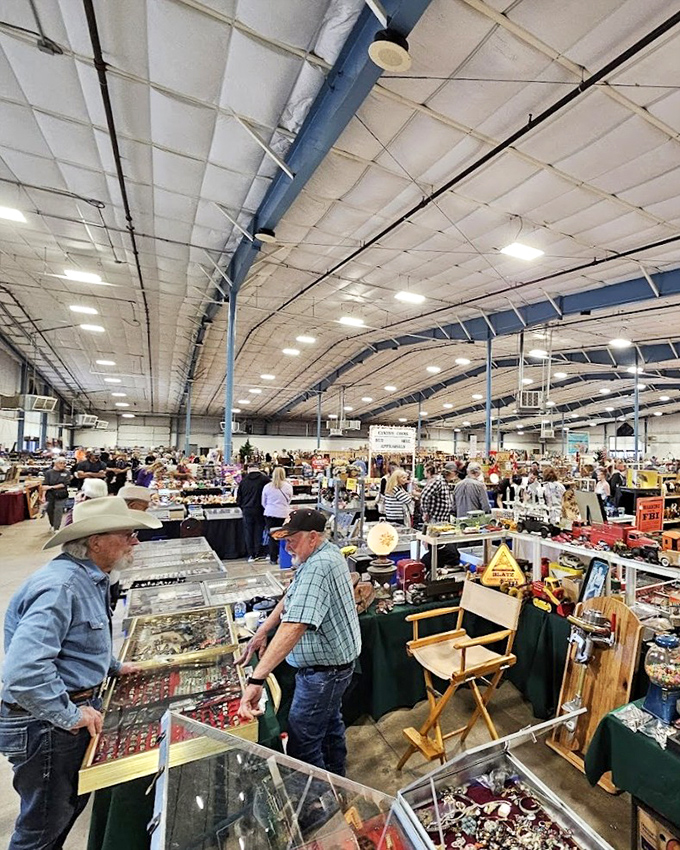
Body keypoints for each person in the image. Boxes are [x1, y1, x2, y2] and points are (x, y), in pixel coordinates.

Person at [0, 498, 162, 850]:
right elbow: (23, 672)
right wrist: (70, 714)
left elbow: (76, 641)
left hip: (56, 717)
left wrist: (114, 667)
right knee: (42, 828)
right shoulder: (61, 587)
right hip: (44, 723)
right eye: (128, 535)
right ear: (95, 541)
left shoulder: (91, 579)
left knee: (62, 813)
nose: (135, 542)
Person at [236, 509, 360, 775]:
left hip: (325, 673)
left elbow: (294, 626)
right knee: (329, 727)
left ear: (313, 537)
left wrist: (257, 679)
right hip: (332, 668)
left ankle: (318, 806)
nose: (285, 544)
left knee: (303, 743)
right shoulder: (320, 554)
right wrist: (263, 630)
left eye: (291, 538)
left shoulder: (319, 565)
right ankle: (337, 782)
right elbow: (292, 595)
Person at [236, 462, 270, 563]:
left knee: (249, 532)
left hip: (247, 509)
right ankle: (260, 552)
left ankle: (251, 554)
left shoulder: (244, 481)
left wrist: (243, 507)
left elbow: (239, 498)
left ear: (249, 469)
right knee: (260, 531)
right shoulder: (265, 480)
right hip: (261, 509)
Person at [261, 467, 293, 565]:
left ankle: (273, 558)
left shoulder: (267, 487)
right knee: (284, 536)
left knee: (272, 536)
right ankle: (284, 557)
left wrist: (270, 508)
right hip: (283, 514)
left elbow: (263, 502)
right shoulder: (288, 486)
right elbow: (289, 500)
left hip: (270, 514)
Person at [40, 456, 72, 533]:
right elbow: (44, 486)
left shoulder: (67, 473)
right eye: (61, 463)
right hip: (50, 495)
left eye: (64, 463)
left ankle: (57, 528)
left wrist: (50, 487)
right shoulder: (48, 473)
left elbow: (63, 484)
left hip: (61, 495)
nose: (63, 465)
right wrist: (43, 496)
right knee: (50, 510)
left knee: (58, 510)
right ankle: (52, 525)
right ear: (56, 463)